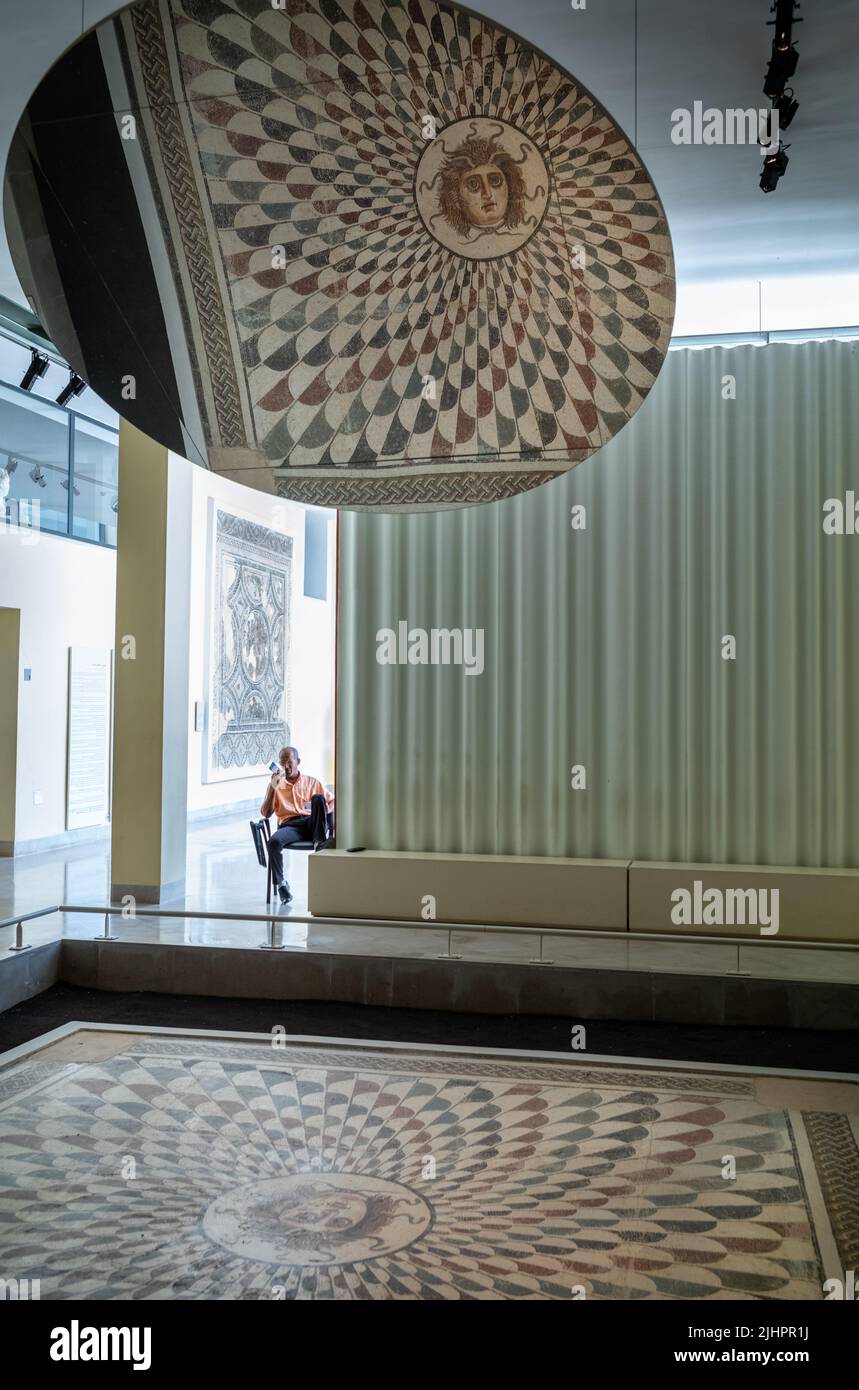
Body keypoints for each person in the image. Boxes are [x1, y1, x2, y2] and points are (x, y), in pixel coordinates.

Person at [260, 746, 334, 904]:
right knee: (273, 842)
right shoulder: (276, 785)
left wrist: (325, 811)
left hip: (311, 823)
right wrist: (273, 787)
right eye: (282, 763)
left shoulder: (311, 782)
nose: (286, 767)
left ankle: (318, 842)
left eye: (289, 762)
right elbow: (266, 813)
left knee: (319, 799)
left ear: (298, 761)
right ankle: (281, 885)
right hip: (290, 826)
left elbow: (332, 800)